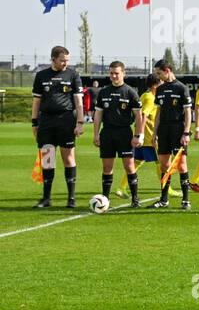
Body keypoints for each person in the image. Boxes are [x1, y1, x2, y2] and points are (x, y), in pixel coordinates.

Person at [31, 46, 83, 209]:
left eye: (67, 60)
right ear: (53, 59)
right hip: (46, 121)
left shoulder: (73, 75)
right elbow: (36, 102)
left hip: (66, 119)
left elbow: (79, 102)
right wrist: (34, 122)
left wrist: (79, 122)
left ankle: (71, 198)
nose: (65, 63)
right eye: (62, 60)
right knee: (48, 159)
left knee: (68, 158)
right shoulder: (41, 76)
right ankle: (46, 198)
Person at [92, 61, 144, 208]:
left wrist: (137, 135)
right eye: (111, 73)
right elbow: (98, 115)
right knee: (107, 167)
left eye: (117, 73)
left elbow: (139, 116)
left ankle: (135, 199)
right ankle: (104, 199)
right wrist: (96, 134)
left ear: (123, 73)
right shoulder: (103, 92)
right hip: (107, 133)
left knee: (129, 166)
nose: (114, 76)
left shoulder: (130, 92)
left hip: (124, 133)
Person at [151, 59, 192, 210]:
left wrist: (186, 132)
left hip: (178, 129)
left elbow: (188, 112)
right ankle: (164, 199)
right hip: (163, 130)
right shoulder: (160, 89)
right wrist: (154, 133)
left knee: (181, 165)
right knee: (164, 165)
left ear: (167, 70)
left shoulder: (181, 88)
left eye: (159, 73)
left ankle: (186, 200)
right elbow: (158, 113)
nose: (157, 76)